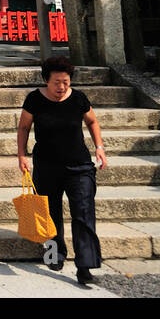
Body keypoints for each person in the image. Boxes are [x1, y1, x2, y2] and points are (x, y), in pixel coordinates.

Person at [17, 55, 106, 286]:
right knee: (50, 213)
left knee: (83, 213)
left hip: (80, 167)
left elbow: (92, 122)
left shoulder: (78, 98)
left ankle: (85, 266)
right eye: (57, 82)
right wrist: (22, 155)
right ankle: (55, 254)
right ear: (46, 80)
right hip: (47, 167)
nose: (62, 87)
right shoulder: (34, 99)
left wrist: (99, 147)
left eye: (66, 81)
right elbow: (24, 127)